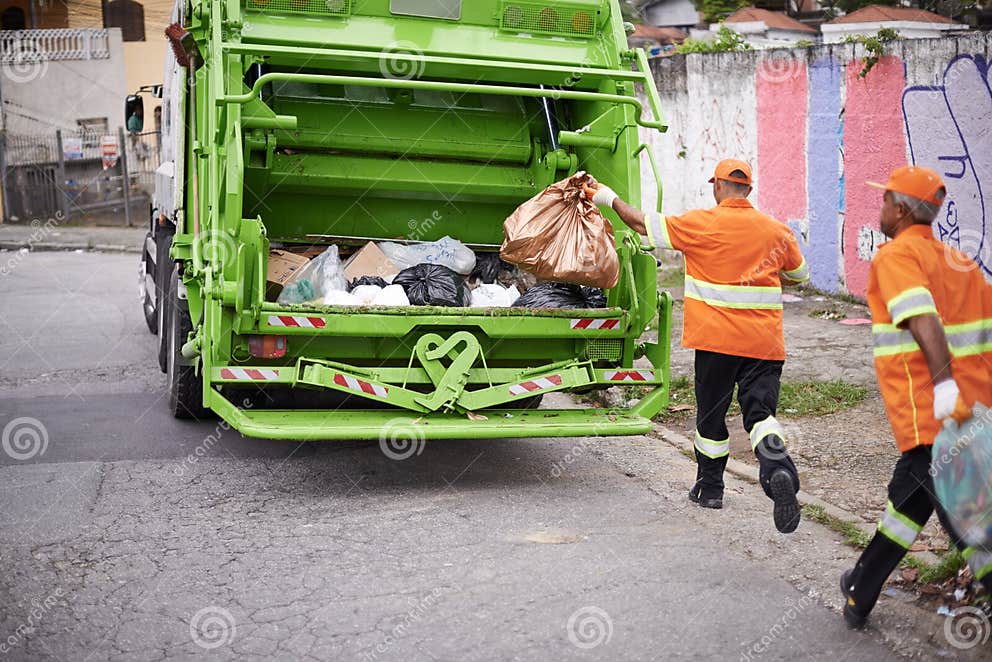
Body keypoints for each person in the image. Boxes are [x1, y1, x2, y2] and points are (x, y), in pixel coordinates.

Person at [584, 159, 809, 533]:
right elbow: (800, 276)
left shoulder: (699, 224)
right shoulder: (777, 232)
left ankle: (710, 489)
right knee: (760, 417)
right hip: (763, 346)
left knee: (710, 420)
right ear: (748, 190)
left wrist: (606, 196)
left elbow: (641, 224)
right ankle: (778, 470)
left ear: (717, 186)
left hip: (716, 344)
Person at [839, 165, 992, 629]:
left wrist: (944, 387)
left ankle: (860, 590)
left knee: (965, 525)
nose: (880, 207)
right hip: (973, 413)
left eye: (884, 199)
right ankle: (859, 589)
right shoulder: (959, 263)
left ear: (901, 210)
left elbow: (922, 318)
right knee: (911, 501)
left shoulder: (895, 258)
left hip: (932, 413)